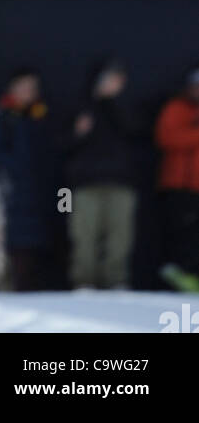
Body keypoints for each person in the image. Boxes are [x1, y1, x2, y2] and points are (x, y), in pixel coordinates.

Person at [64, 59, 138, 290]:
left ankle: (116, 280)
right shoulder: (79, 106)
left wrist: (112, 102)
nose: (113, 83)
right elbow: (61, 146)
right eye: (109, 78)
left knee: (120, 237)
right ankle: (84, 281)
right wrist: (78, 132)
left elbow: (137, 133)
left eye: (118, 79)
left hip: (121, 182)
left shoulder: (126, 106)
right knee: (83, 235)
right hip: (84, 184)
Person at [0, 70, 59, 291]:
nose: (28, 92)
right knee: (21, 254)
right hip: (16, 196)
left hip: (44, 196)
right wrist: (15, 172)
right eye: (24, 86)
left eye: (32, 87)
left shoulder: (44, 115)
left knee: (44, 254)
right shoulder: (4, 117)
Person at [154, 67, 199, 289]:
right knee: (180, 237)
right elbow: (167, 138)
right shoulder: (176, 108)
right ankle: (179, 281)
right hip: (180, 186)